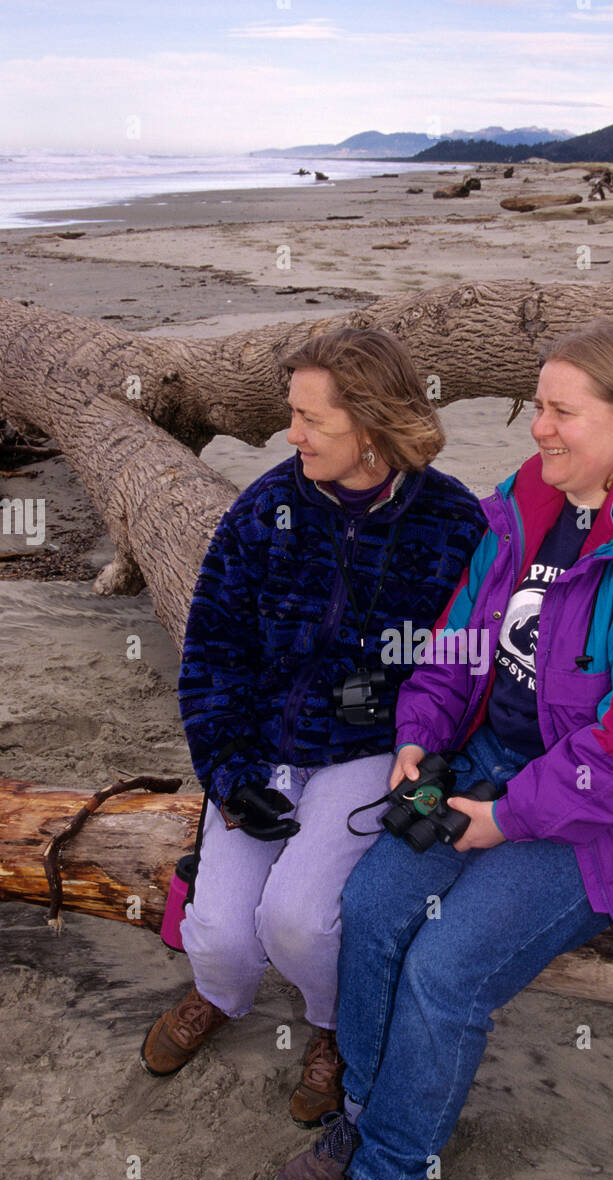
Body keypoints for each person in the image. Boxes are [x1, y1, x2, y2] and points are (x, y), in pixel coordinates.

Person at [273, 318, 613, 1180]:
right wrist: (420, 733)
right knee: (373, 907)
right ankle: (369, 1119)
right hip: (499, 758)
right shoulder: (525, 507)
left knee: (446, 966)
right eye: (536, 405)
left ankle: (392, 1176)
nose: (538, 428)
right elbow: (462, 640)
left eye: (561, 411)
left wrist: (505, 819)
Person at [140, 327, 486, 1127]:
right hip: (258, 750)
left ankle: (331, 1031)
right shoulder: (265, 509)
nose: (289, 435)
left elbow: (466, 661)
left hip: (367, 754)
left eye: (309, 419)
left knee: (297, 921)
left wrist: (427, 754)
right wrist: (227, 778)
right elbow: (212, 652)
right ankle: (217, 995)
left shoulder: (452, 523)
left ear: (369, 424)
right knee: (223, 933)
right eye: (289, 415)